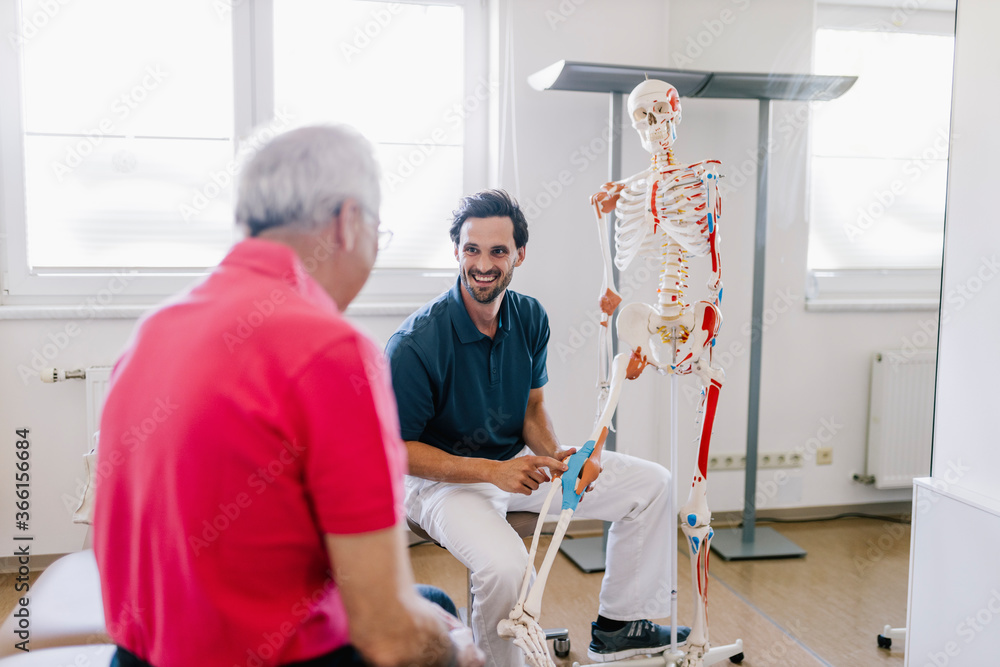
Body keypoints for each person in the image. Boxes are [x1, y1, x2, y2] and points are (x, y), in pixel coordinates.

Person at [93, 125, 484, 667]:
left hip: (140, 653)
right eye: (378, 230)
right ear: (347, 221)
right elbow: (387, 636)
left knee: (432, 602)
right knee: (444, 637)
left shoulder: (155, 330)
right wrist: (460, 654)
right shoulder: (330, 351)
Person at [384, 189, 691, 665]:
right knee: (509, 571)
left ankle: (620, 627)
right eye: (472, 249)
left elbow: (532, 408)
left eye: (498, 251)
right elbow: (399, 451)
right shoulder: (414, 344)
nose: (483, 264)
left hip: (517, 467)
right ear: (456, 251)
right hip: (440, 485)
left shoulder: (529, 317)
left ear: (519, 255)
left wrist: (556, 456)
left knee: (653, 484)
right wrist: (493, 471)